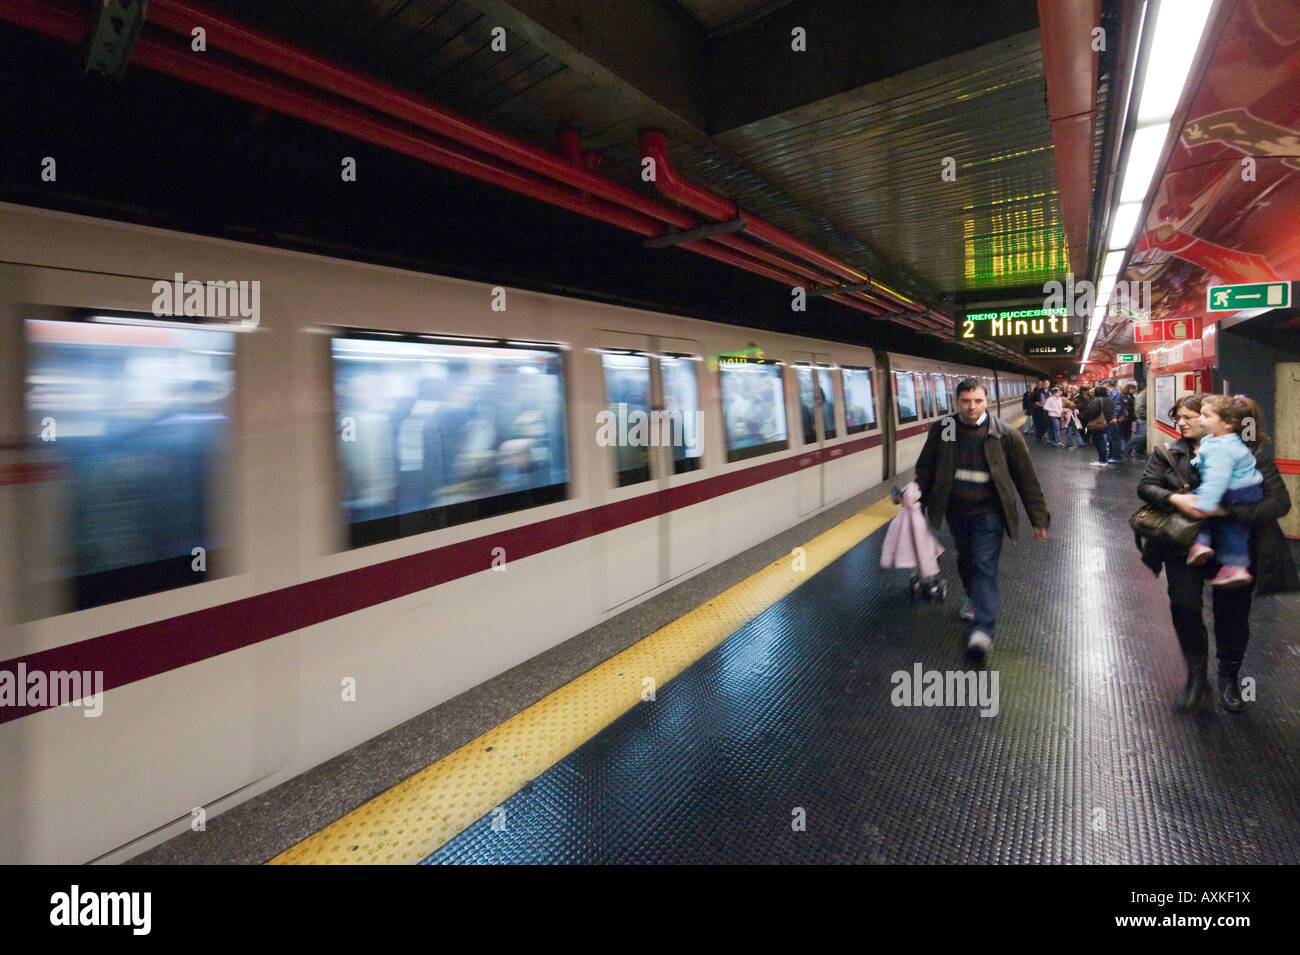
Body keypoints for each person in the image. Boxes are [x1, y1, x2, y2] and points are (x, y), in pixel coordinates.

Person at [1136, 395, 1297, 712]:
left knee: (1233, 615)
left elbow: (1279, 503)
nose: (1181, 422)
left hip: (1235, 549)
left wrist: (1227, 511)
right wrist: (1175, 500)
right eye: (1178, 417)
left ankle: (1229, 678)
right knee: (1184, 606)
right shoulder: (1168, 453)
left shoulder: (1250, 456)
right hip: (1184, 545)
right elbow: (1146, 487)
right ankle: (1196, 677)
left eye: (1190, 416)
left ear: (1216, 420)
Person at [915, 378, 1050, 665]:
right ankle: (971, 597)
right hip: (956, 510)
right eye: (966, 401)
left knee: (984, 564)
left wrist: (1038, 517)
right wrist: (918, 496)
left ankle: (982, 631)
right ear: (957, 402)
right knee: (965, 559)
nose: (972, 406)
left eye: (977, 400)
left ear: (986, 400)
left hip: (989, 513)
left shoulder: (1004, 434)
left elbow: (1026, 479)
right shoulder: (944, 430)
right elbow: (927, 466)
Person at [1185, 395, 1264, 587]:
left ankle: (1201, 544)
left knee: (1199, 503)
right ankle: (1234, 565)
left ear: (1227, 424)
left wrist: (1206, 504)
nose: (1199, 419)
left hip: (1236, 491)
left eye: (1206, 415)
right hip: (1247, 489)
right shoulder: (1219, 441)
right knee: (1233, 529)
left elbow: (1216, 479)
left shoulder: (1220, 448)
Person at [1084, 382, 1116, 468]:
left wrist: (1086, 415)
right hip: (1107, 423)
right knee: (1103, 440)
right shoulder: (1109, 400)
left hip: (1098, 424)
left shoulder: (1096, 400)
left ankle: (1102, 460)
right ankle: (1104, 459)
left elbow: (1091, 412)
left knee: (1099, 441)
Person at [1122, 385, 1147, 458]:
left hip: (1133, 418)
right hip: (1138, 418)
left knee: (1137, 435)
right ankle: (1127, 450)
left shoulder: (1132, 396)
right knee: (1138, 436)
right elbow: (1139, 409)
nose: (1135, 390)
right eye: (1133, 389)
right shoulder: (1140, 396)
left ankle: (1132, 449)